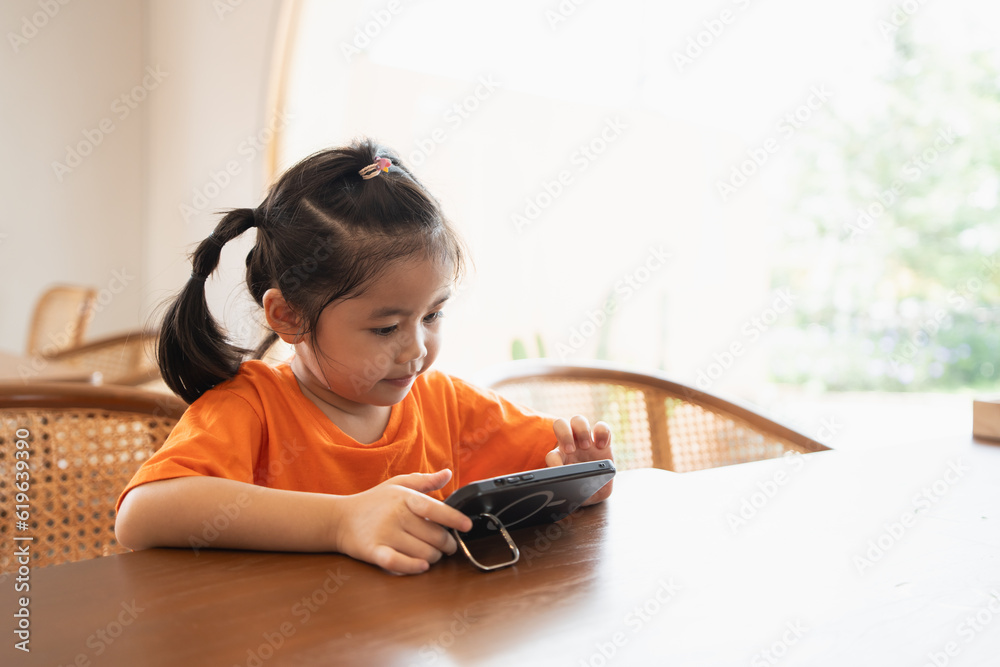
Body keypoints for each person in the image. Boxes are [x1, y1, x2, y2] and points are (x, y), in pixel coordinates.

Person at [115, 139, 613, 575]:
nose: (417, 349)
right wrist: (342, 520)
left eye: (433, 315)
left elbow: (549, 471)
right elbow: (142, 515)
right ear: (289, 316)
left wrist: (581, 476)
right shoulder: (252, 407)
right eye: (385, 327)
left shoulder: (446, 404)